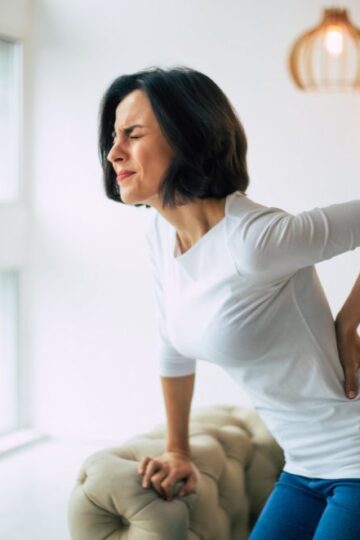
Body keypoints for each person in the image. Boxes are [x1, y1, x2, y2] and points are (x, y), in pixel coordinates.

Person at [98, 65, 360, 539]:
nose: (114, 152)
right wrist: (178, 449)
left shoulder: (254, 241)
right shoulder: (160, 232)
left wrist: (348, 323)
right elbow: (172, 343)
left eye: (132, 134)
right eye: (114, 137)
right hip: (302, 466)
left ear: (187, 136)